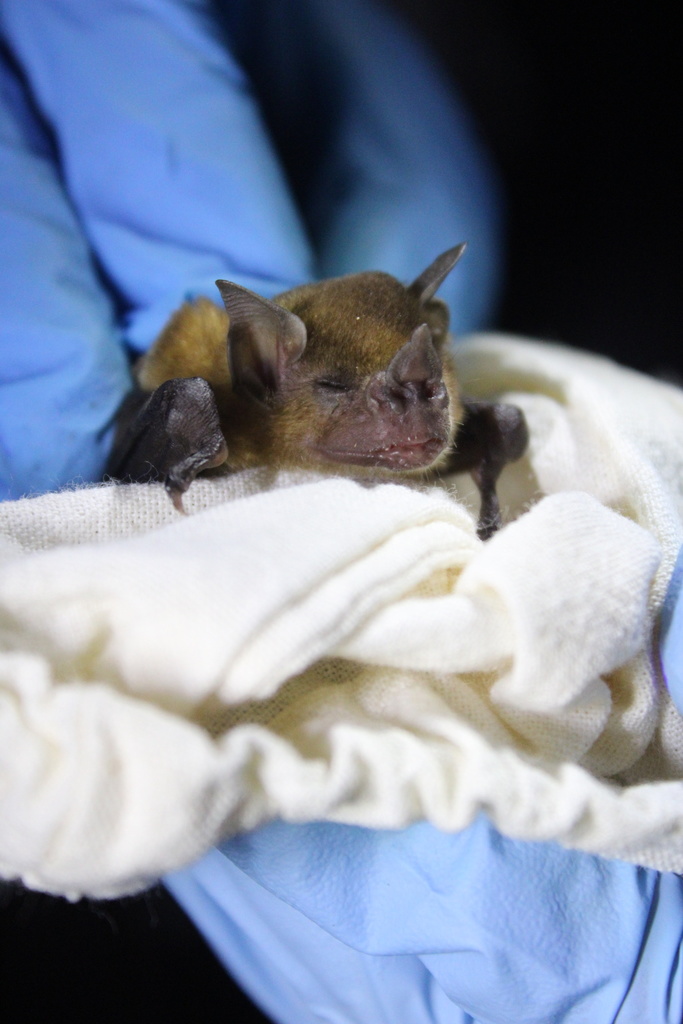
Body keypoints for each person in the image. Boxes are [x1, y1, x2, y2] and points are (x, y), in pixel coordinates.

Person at [1, 2, 682, 1021]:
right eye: (351, 395)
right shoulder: (212, 402)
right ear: (266, 367)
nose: (409, 423)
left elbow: (486, 425)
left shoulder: (463, 419)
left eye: (419, 388)